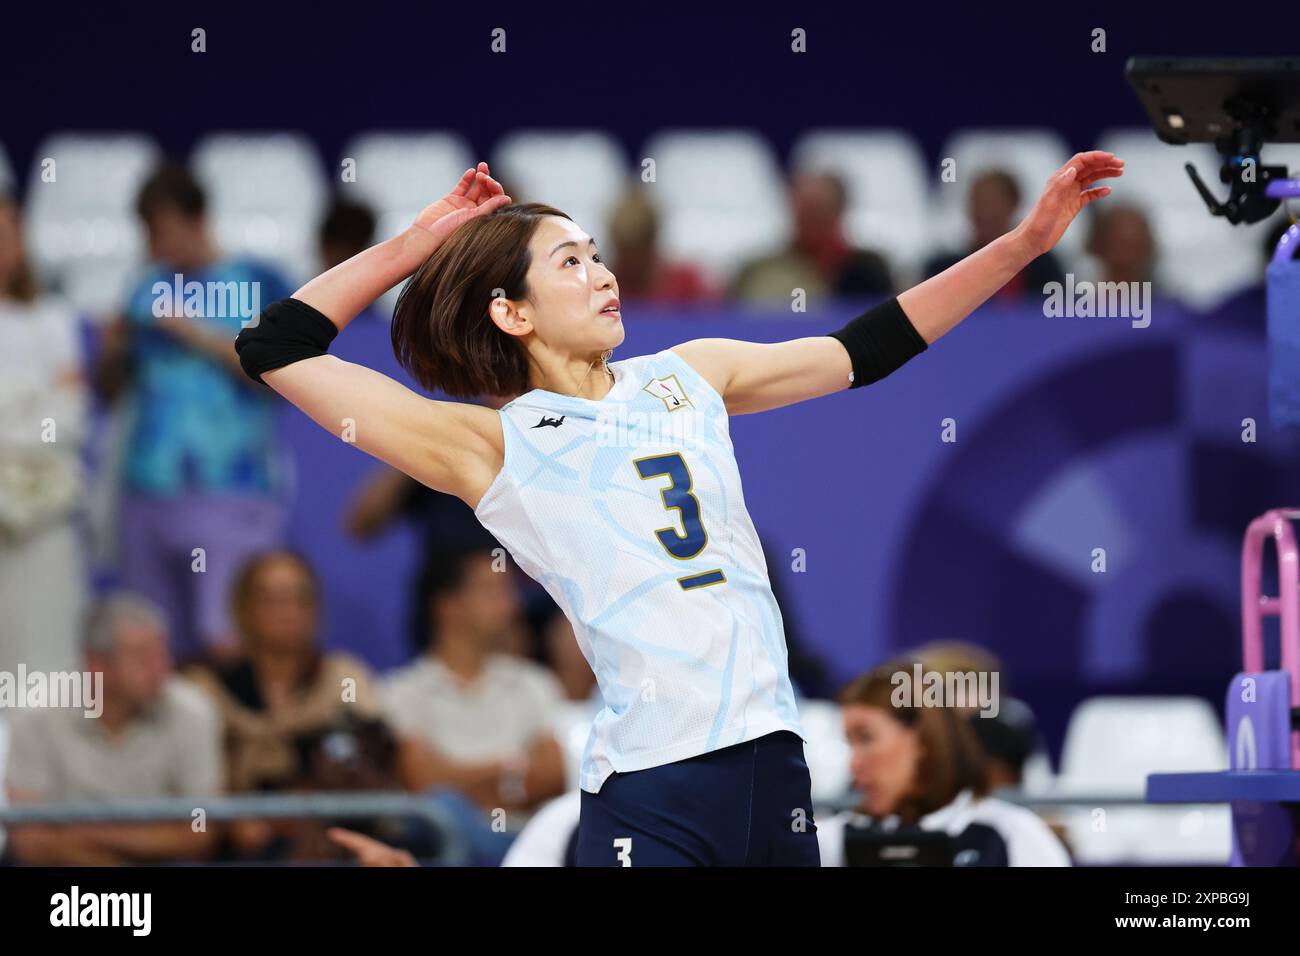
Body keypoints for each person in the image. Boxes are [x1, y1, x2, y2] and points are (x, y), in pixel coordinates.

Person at [234, 153, 1122, 866]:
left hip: (775, 766)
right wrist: (419, 241)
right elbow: (274, 345)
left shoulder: (690, 374)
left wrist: (1020, 246)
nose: (601, 274)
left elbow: (867, 349)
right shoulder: (492, 444)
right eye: (570, 262)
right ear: (511, 313)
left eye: (597, 253)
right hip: (653, 786)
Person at [93, 160, 295, 665]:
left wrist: (192, 333)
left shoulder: (258, 280)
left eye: (160, 232)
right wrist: (112, 353)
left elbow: (279, 375)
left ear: (198, 220)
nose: (153, 247)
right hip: (147, 491)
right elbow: (108, 391)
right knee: (154, 650)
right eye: (147, 234)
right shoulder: (143, 288)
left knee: (228, 642)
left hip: (231, 489)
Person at [185, 548, 386, 859]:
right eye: (272, 600)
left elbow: (372, 759)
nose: (288, 611)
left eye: (299, 599)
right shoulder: (208, 688)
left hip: (332, 835)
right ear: (242, 609)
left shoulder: (343, 678)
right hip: (235, 843)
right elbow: (195, 777)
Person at [3, 592, 223, 865]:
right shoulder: (35, 715)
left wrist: (90, 834)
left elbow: (201, 834)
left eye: (163, 654)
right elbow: (29, 843)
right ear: (97, 665)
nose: (162, 669)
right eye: (143, 658)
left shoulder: (192, 711)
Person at [816, 660, 1070, 866]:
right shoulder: (829, 842)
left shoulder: (1009, 835)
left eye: (866, 738)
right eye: (849, 743)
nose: (853, 765)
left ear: (924, 739)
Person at [381, 545, 567, 813]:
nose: (511, 603)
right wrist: (505, 768)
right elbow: (422, 782)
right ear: (447, 607)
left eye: (508, 590)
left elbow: (554, 776)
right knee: (447, 813)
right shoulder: (400, 692)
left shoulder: (535, 682)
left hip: (521, 839)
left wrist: (459, 780)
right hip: (447, 843)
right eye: (491, 592)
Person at [0, 192, 90, 678]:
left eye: (8, 233)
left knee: (43, 666)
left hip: (43, 516)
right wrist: (29, 404)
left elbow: (69, 419)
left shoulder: (53, 321)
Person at [732, 169, 893, 303]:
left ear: (839, 210)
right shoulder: (759, 272)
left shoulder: (870, 271)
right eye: (804, 211)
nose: (810, 221)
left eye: (819, 211)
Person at [925, 168, 1067, 300]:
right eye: (977, 201)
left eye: (992, 202)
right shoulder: (944, 271)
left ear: (1013, 204)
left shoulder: (1043, 267)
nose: (983, 211)